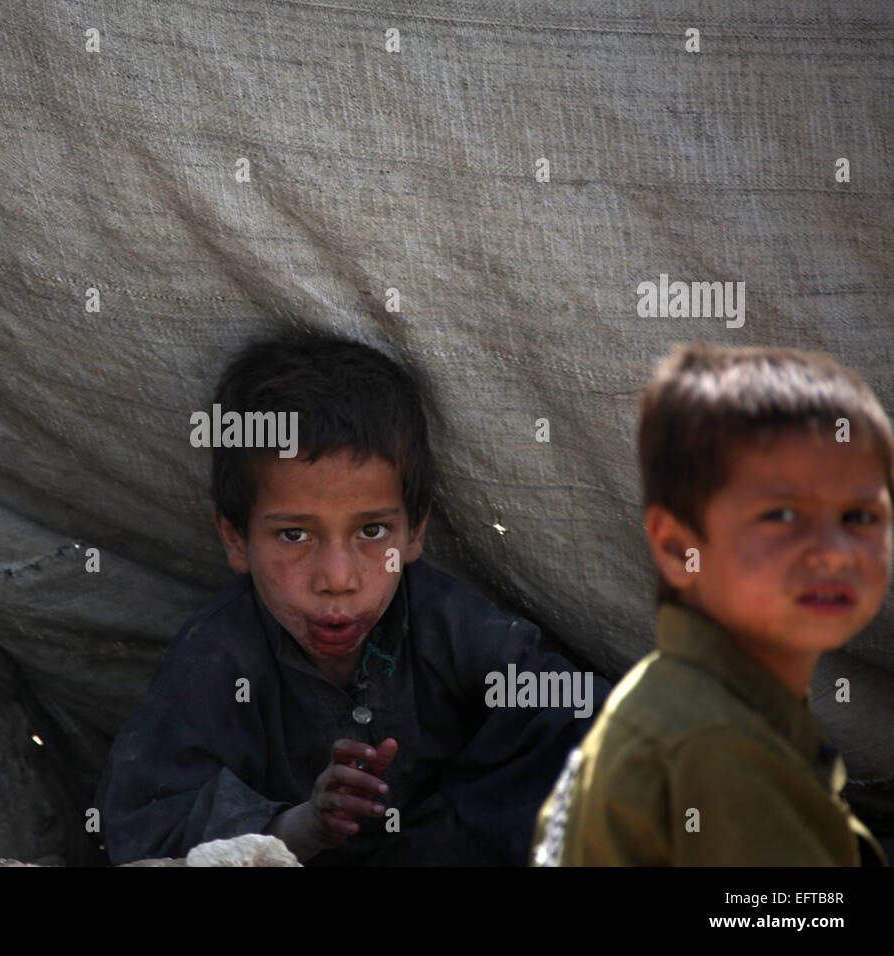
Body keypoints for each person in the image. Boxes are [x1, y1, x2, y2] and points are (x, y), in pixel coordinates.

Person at [96, 328, 606, 865]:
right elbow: (141, 817)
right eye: (294, 535)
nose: (338, 577)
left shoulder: (446, 625)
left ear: (414, 532)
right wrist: (302, 826)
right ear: (235, 538)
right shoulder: (219, 658)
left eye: (371, 532)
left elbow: (571, 712)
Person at [532, 343, 891, 866]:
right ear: (681, 549)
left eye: (860, 517)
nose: (835, 554)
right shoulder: (714, 744)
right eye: (784, 516)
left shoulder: (683, 699)